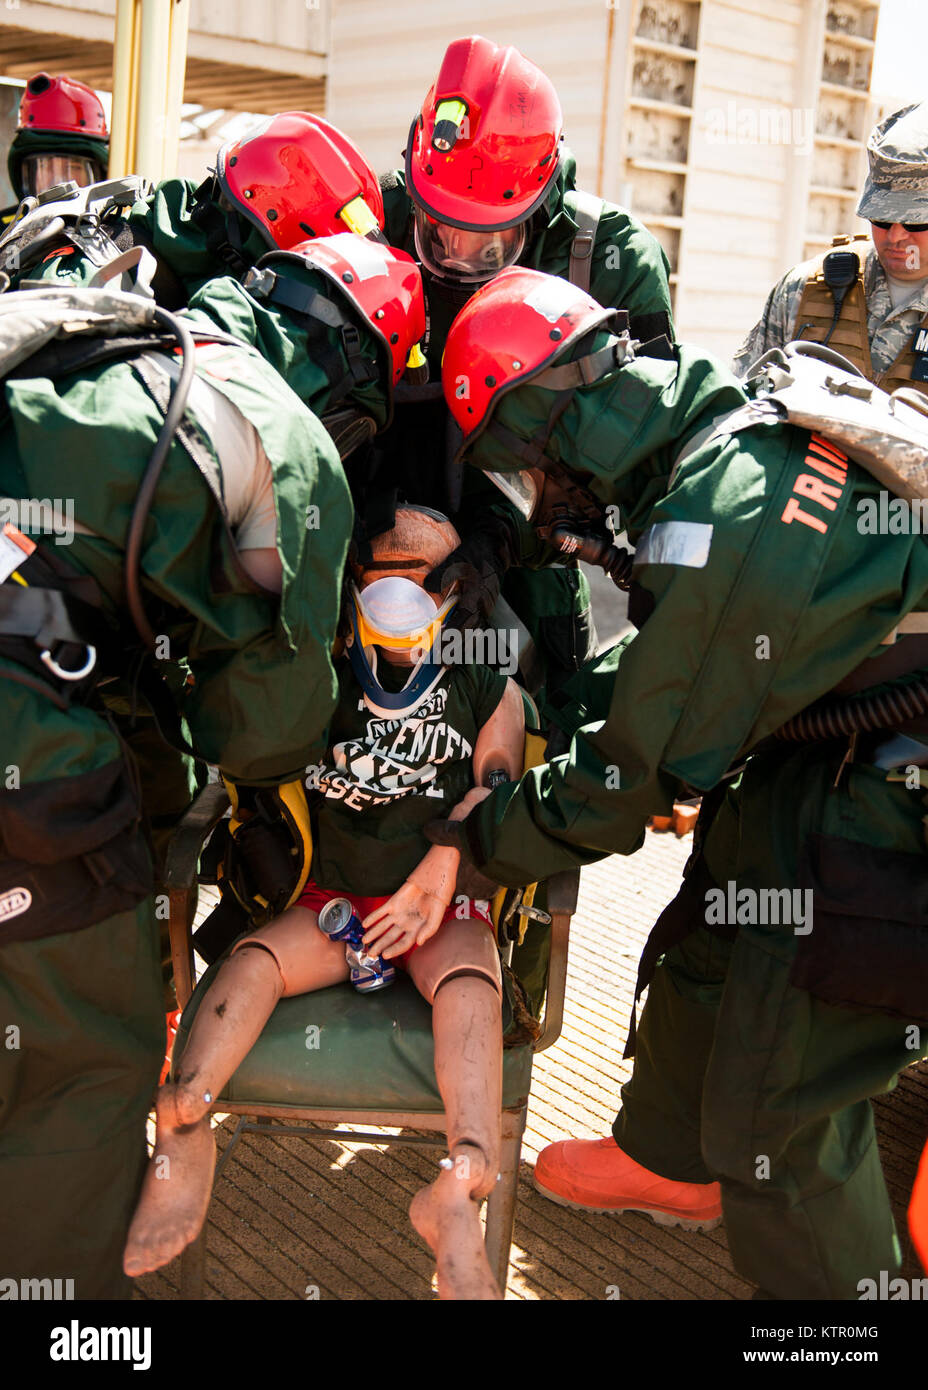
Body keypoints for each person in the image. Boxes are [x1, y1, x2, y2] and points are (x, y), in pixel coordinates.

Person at [429, 266, 928, 1300]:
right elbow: (686, 660)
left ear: (546, 430)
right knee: (730, 888)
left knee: (776, 1105)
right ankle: (671, 1157)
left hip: (894, 792)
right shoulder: (733, 437)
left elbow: (629, 781)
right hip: (843, 746)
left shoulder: (721, 520)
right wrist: (562, 711)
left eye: (523, 477)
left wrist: (479, 829)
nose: (544, 507)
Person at [0, 235, 424, 1299]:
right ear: (361, 393)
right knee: (81, 1053)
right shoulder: (280, 437)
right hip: (26, 739)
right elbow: (263, 731)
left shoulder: (97, 331)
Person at [121, 506, 525, 1301]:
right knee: (254, 965)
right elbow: (245, 739)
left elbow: (499, 783)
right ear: (350, 588)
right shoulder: (322, 675)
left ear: (458, 595)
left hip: (432, 905)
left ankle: (461, 1183)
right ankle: (187, 1122)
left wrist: (444, 858)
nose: (401, 598)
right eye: (384, 578)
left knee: (473, 983)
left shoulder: (481, 676)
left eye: (422, 580)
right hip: (327, 899)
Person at [371, 35, 676, 714]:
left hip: (533, 578)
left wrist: (500, 541)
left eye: (487, 242)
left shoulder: (611, 261)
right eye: (437, 229)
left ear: (536, 207)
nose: (452, 258)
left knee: (536, 751)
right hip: (384, 555)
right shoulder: (376, 220)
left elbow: (642, 462)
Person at [734, 102, 928, 397]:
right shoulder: (803, 289)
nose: (896, 234)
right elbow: (744, 393)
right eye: (882, 218)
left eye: (915, 222)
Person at [3, 71, 108, 217]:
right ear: (25, 175)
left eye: (73, 167)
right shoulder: (6, 234)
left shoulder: (120, 233)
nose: (58, 183)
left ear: (99, 175)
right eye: (44, 166)